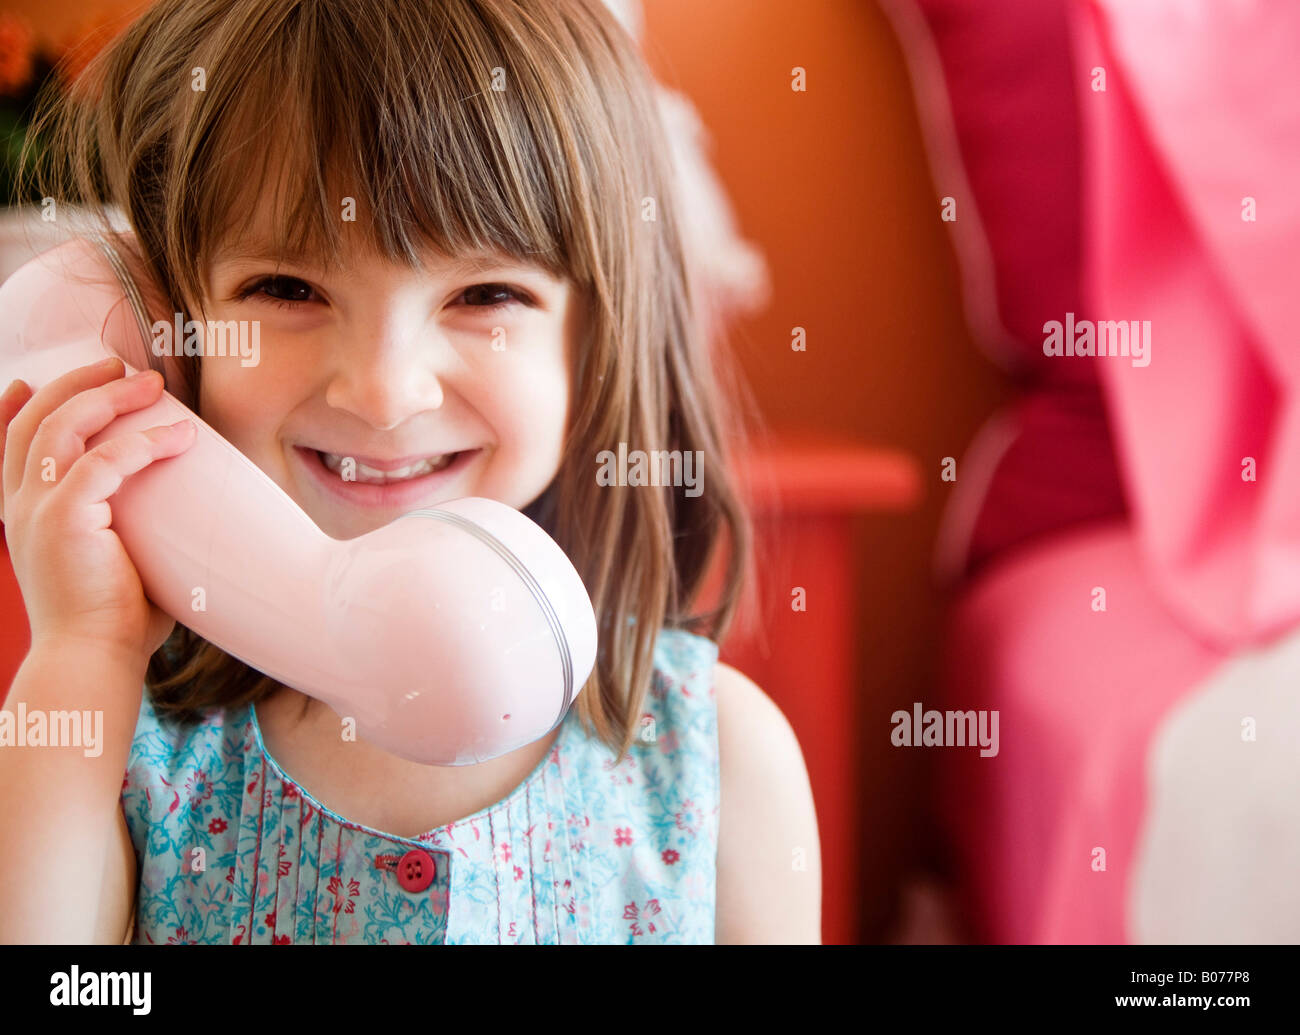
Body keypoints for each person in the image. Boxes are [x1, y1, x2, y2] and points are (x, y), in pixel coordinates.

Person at [0, 0, 820, 944]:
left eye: (485, 294)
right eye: (287, 288)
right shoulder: (127, 748)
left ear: (595, 339)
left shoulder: (713, 757)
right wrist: (83, 654)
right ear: (170, 340)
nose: (384, 393)